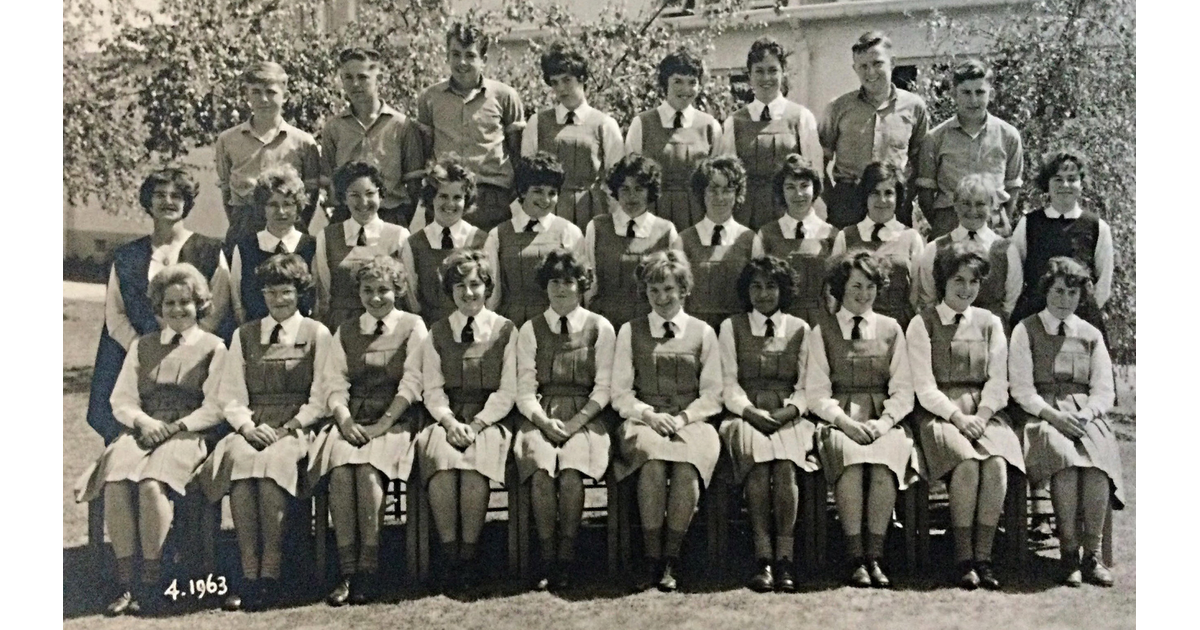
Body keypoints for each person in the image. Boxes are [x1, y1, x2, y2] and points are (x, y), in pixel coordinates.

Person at [76, 264, 228, 616]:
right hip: (143, 429)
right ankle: (127, 582)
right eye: (169, 303)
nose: (177, 310)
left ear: (200, 305)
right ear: (158, 307)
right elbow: (122, 399)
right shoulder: (142, 346)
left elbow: (217, 405)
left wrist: (175, 428)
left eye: (185, 303)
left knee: (150, 484)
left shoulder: (214, 348)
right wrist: (144, 422)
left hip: (189, 433)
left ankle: (152, 578)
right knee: (115, 479)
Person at [196, 253, 335, 612]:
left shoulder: (317, 334)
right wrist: (247, 427)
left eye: (286, 292)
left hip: (296, 428)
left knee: (271, 468)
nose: (279, 299)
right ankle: (248, 573)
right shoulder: (244, 336)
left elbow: (321, 395)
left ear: (299, 293)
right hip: (253, 426)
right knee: (242, 467)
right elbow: (231, 393)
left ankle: (271, 572)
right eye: (271, 292)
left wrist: (291, 427)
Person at [308, 256, 427, 606]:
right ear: (358, 292)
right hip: (353, 418)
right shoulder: (345, 330)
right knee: (342, 471)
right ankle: (348, 569)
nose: (376, 298)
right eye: (368, 291)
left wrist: (383, 424)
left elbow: (413, 380)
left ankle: (370, 567)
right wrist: (344, 421)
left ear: (398, 291)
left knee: (369, 472)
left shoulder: (412, 326)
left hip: (396, 417)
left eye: (384, 291)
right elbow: (334, 382)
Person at [906, 243, 1023, 590]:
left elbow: (999, 380)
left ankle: (984, 557)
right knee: (968, 465)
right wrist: (958, 418)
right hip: (939, 413)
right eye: (958, 279)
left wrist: (983, 415)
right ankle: (963, 558)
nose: (966, 288)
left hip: (986, 411)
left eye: (974, 281)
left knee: (997, 464)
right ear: (943, 280)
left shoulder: (990, 323)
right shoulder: (921, 323)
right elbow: (924, 387)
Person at [87, 168, 230, 446]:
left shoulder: (209, 250)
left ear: (187, 203)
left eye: (177, 195)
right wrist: (144, 349)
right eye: (160, 195)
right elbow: (115, 314)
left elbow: (219, 307)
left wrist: (185, 348)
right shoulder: (127, 255)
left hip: (193, 363)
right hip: (135, 357)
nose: (168, 201)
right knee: (126, 440)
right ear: (147, 201)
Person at [611, 250, 723, 593]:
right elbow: (620, 393)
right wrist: (649, 415)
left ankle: (672, 556)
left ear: (684, 290)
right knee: (653, 464)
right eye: (654, 290)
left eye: (669, 290)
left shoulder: (703, 332)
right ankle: (652, 556)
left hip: (692, 421)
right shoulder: (630, 332)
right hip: (644, 420)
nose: (661, 298)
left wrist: (685, 417)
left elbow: (713, 393)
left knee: (687, 466)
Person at [1009, 256, 1124, 587]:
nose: (1064, 300)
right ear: (1047, 290)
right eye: (1059, 291)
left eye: (1072, 294)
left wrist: (1086, 414)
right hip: (1041, 414)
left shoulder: (1090, 334)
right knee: (1066, 462)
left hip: (1084, 413)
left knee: (1097, 464)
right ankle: (1069, 555)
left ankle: (1093, 556)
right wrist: (1055, 416)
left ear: (1081, 297)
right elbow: (1021, 389)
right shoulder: (1025, 330)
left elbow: (1103, 389)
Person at [805, 250, 916, 589]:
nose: (863, 293)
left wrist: (884, 423)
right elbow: (816, 392)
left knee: (883, 466)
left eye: (870, 286)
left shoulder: (892, 329)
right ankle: (855, 556)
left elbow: (903, 389)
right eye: (856, 285)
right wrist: (845, 423)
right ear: (840, 287)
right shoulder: (821, 331)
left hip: (883, 419)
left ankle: (875, 555)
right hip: (839, 420)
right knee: (851, 464)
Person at [513, 249, 617, 590]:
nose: (561, 289)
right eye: (554, 281)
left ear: (582, 286)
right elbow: (525, 389)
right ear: (545, 285)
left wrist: (575, 424)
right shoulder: (529, 329)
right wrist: (543, 423)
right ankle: (547, 555)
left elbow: (604, 388)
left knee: (571, 472)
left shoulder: (600, 327)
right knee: (541, 470)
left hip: (586, 416)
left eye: (569, 282)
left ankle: (567, 557)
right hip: (542, 414)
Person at [414, 250, 519, 590]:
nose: (468, 292)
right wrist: (448, 423)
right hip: (446, 417)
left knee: (474, 465)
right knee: (442, 462)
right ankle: (450, 555)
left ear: (487, 287)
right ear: (450, 291)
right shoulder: (438, 331)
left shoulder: (506, 330)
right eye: (459, 285)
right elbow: (432, 389)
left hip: (489, 418)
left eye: (475, 284)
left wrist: (476, 425)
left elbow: (507, 391)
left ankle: (470, 557)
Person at [717, 256, 815, 593]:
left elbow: (807, 387)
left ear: (783, 290)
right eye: (756, 286)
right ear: (746, 291)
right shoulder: (732, 327)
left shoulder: (801, 329)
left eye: (771, 286)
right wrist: (750, 413)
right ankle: (763, 559)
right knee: (758, 465)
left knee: (786, 465)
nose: (763, 294)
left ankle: (785, 558)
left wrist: (788, 413)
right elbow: (728, 384)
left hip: (788, 415)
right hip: (744, 415)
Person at [412, 22, 525, 231]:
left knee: (487, 260)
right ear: (447, 56)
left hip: (491, 198)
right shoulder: (430, 98)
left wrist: (510, 195)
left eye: (470, 55)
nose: (462, 62)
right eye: (455, 54)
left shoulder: (505, 96)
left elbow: (517, 153)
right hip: (445, 197)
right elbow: (425, 153)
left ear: (484, 60)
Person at [819, 32, 929, 229]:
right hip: (848, 201)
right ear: (855, 68)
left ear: (892, 62)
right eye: (863, 66)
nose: (870, 73)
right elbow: (819, 161)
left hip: (892, 200)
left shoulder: (914, 107)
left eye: (877, 63)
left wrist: (906, 194)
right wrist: (834, 199)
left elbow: (920, 160)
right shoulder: (838, 107)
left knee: (894, 257)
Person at [717, 36, 824, 230]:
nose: (766, 78)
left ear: (784, 74)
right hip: (746, 215)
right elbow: (727, 179)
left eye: (773, 70)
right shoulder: (734, 122)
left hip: (791, 211)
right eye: (759, 71)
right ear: (749, 76)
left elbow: (815, 175)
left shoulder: (801, 117)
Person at [214, 61, 322, 253]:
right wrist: (240, 222)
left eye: (271, 92)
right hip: (244, 224)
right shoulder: (227, 140)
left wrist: (296, 224)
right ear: (247, 95)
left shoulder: (304, 142)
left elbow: (311, 194)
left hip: (288, 224)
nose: (263, 99)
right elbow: (226, 190)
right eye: (256, 92)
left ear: (285, 96)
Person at [1006, 149, 1113, 336]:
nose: (1065, 185)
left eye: (1072, 179)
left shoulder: (1097, 227)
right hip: (1035, 317)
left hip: (1080, 321)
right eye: (1057, 179)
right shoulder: (1028, 224)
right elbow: (1014, 276)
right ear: (1047, 184)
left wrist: (1078, 312)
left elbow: (1103, 283)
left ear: (1081, 184)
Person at [915, 59, 1023, 240]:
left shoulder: (1009, 135)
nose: (973, 100)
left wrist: (999, 221)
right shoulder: (935, 138)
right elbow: (925, 193)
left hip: (992, 223)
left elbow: (1013, 187)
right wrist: (943, 224)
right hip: (950, 223)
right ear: (954, 94)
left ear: (992, 94)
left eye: (980, 92)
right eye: (966, 92)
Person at [521, 41, 624, 229]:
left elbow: (617, 181)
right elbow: (526, 177)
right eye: (555, 82)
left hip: (594, 212)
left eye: (567, 80)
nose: (560, 88)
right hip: (547, 211)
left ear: (582, 78)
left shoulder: (605, 124)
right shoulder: (537, 123)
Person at [320, 47, 421, 227]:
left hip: (390, 216)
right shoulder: (334, 127)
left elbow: (414, 186)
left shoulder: (401, 125)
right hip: (347, 217)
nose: (355, 84)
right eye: (348, 78)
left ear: (379, 79)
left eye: (362, 77)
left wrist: (399, 219)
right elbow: (330, 185)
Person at [625, 48, 722, 232]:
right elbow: (630, 176)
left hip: (698, 216)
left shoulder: (710, 126)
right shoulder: (642, 124)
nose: (685, 89)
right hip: (652, 214)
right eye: (677, 81)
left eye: (692, 82)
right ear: (665, 83)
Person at [483, 152, 584, 328]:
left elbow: (579, 291)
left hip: (554, 322)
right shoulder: (498, 235)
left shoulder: (569, 232)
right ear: (522, 191)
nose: (545, 200)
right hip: (511, 322)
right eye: (537, 191)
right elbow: (494, 294)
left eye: (552, 193)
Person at [581, 153, 680, 329]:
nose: (631, 197)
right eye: (624, 189)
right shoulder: (597, 227)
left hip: (648, 322)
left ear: (650, 192)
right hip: (605, 321)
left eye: (639, 189)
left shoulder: (666, 230)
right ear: (616, 192)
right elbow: (590, 282)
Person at [314, 161, 415, 329]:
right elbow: (323, 293)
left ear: (381, 195)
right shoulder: (327, 236)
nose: (363, 201)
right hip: (342, 326)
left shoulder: (399, 236)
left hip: (387, 326)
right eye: (354, 195)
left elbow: (410, 293)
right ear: (344, 198)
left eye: (370, 193)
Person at [674, 155, 764, 330]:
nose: (720, 197)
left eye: (727, 190)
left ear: (737, 194)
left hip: (738, 329)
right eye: (713, 190)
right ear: (702, 193)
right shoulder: (683, 240)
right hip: (696, 329)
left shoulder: (750, 239)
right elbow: (678, 296)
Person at [831, 161, 924, 327]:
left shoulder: (911, 238)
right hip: (856, 326)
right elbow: (834, 295)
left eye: (888, 193)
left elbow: (917, 294)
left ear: (898, 197)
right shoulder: (846, 236)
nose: (882, 200)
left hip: (900, 326)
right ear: (865, 195)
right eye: (874, 193)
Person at [399, 156, 490, 325]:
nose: (450, 204)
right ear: (431, 198)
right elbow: (412, 298)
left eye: (457, 197)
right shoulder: (413, 244)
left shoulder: (482, 240)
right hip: (429, 329)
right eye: (443, 196)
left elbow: (490, 293)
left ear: (467, 200)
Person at [914, 174, 1015, 320]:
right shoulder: (935, 249)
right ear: (955, 205)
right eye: (966, 203)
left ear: (992, 206)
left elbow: (1010, 304)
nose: (973, 211)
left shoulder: (1006, 250)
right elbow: (928, 301)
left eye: (980, 204)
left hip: (990, 333)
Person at [229, 164, 317, 324]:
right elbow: (237, 301)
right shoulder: (245, 247)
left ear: (298, 206)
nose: (281, 212)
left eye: (288, 204)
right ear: (262, 208)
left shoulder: (312, 247)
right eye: (273, 205)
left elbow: (319, 299)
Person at [758, 154, 837, 327]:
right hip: (780, 320)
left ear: (815, 189)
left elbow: (837, 290)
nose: (798, 194)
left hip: (821, 320)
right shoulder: (767, 234)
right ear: (781, 191)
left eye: (804, 186)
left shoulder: (832, 234)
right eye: (790, 187)